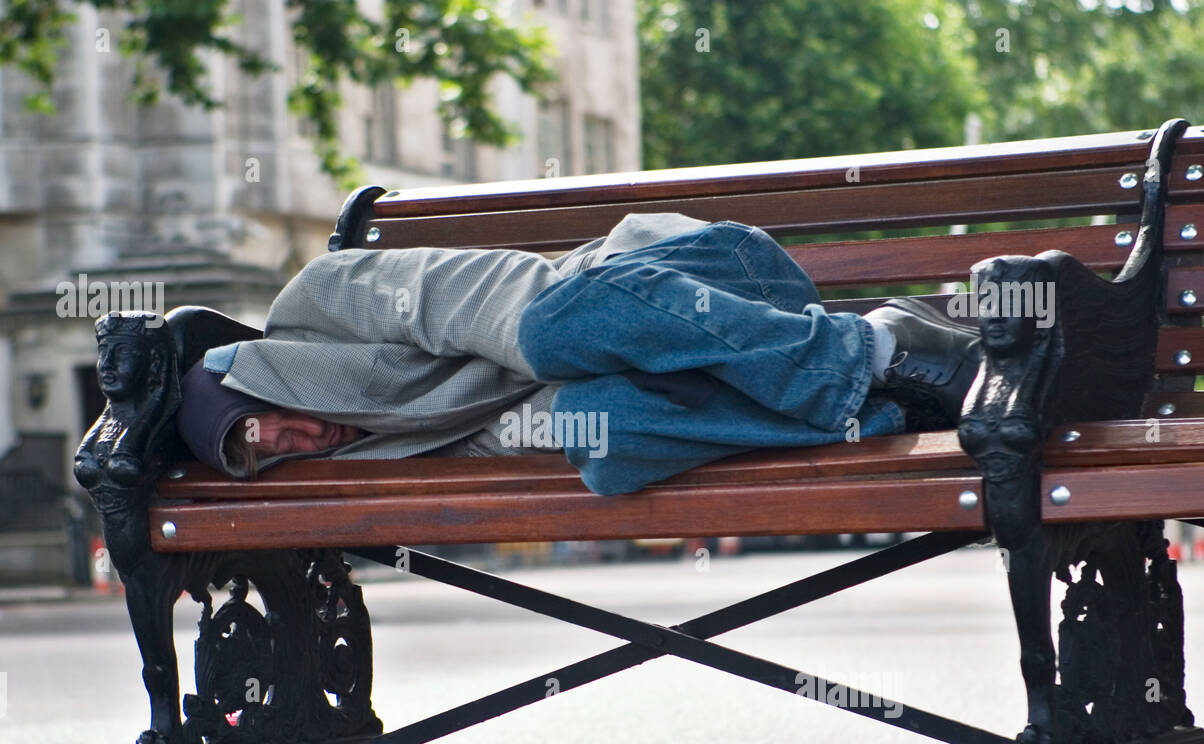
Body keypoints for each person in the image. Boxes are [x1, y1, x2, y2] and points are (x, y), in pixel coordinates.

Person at [176, 213, 980, 495]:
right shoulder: (361, 458)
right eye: (260, 461)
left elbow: (487, 292)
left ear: (258, 382)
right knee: (600, 435)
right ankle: (884, 403)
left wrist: (566, 356)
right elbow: (512, 428)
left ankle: (878, 345)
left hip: (698, 279)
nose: (287, 443)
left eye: (260, 428)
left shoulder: (321, 300)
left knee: (554, 327)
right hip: (709, 361)